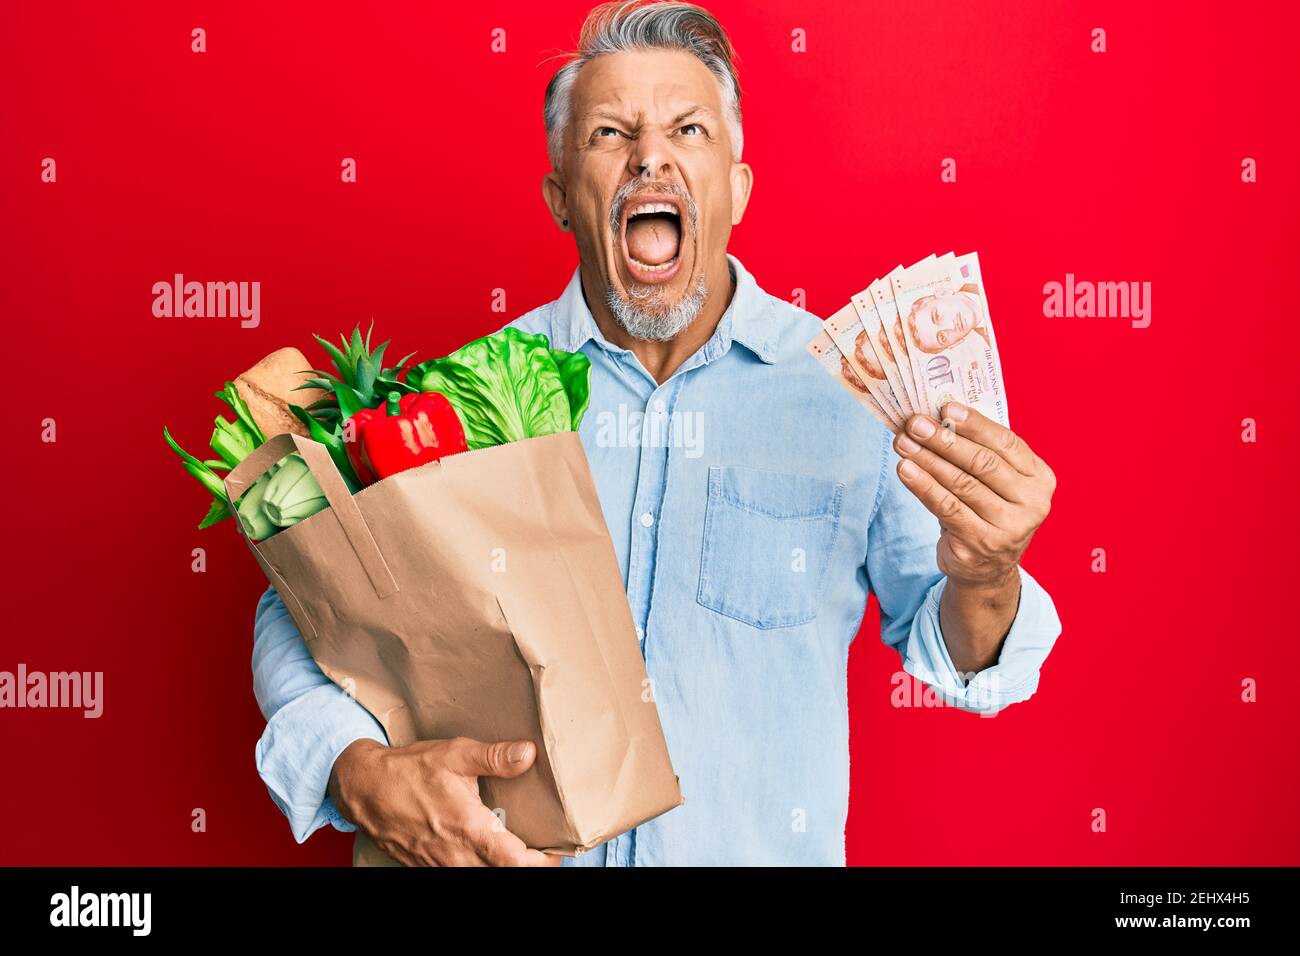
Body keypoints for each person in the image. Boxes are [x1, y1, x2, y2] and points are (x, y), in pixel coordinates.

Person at [252, 0, 1061, 867]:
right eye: (609, 133)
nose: (651, 155)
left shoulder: (850, 394)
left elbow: (966, 665)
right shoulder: (469, 393)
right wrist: (352, 766)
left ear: (738, 187)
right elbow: (309, 606)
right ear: (561, 197)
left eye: (689, 128)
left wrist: (986, 574)